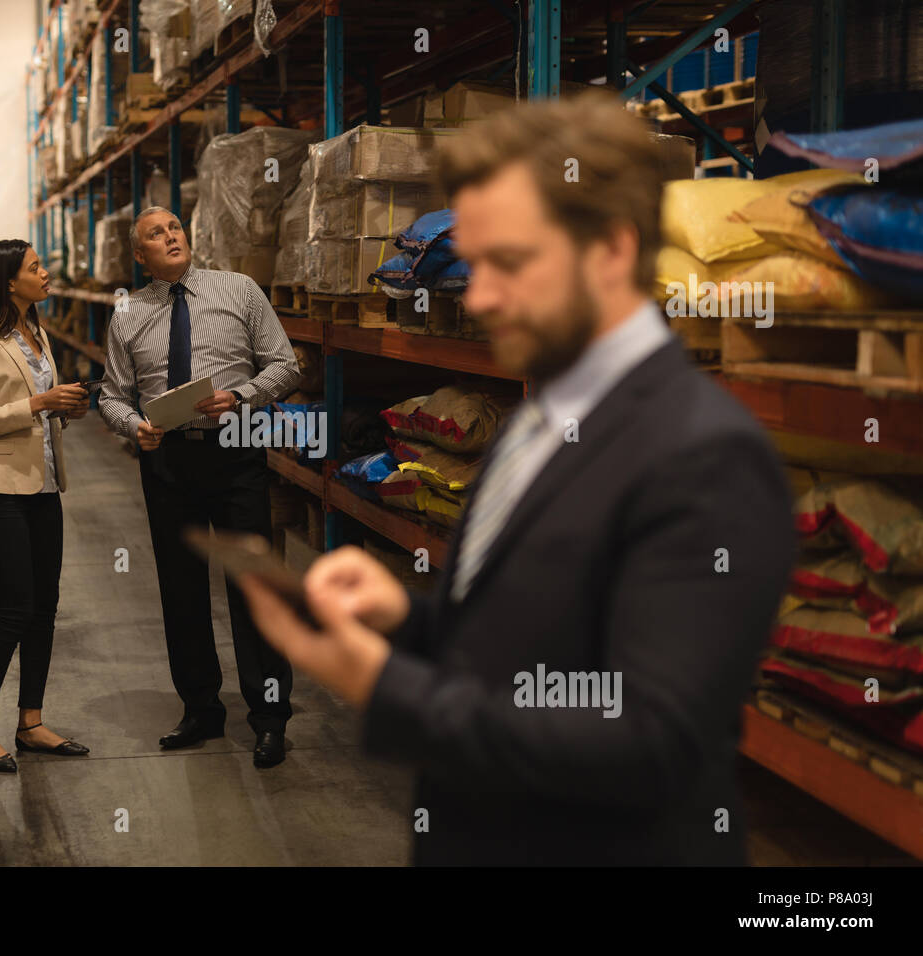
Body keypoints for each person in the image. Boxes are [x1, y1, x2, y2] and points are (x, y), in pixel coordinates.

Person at [238, 92, 795, 863]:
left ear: (607, 249)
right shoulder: (535, 418)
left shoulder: (703, 456)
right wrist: (401, 618)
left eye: (507, 262)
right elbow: (521, 643)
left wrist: (389, 689)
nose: (480, 294)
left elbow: (647, 739)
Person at [99, 206, 301, 767]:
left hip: (235, 453)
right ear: (140, 256)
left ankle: (269, 716)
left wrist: (240, 398)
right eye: (155, 235)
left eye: (175, 229)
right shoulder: (126, 314)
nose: (170, 238)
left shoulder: (238, 290)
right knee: (181, 588)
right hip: (168, 464)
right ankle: (201, 708)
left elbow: (284, 365)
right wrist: (131, 424)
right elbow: (112, 393)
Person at [0, 239, 92, 773]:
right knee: (16, 610)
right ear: (9, 282)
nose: (46, 273)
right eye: (36, 268)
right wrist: (38, 403)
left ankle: (30, 721)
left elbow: (40, 411)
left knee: (45, 609)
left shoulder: (38, 334)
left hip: (45, 484)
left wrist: (64, 409)